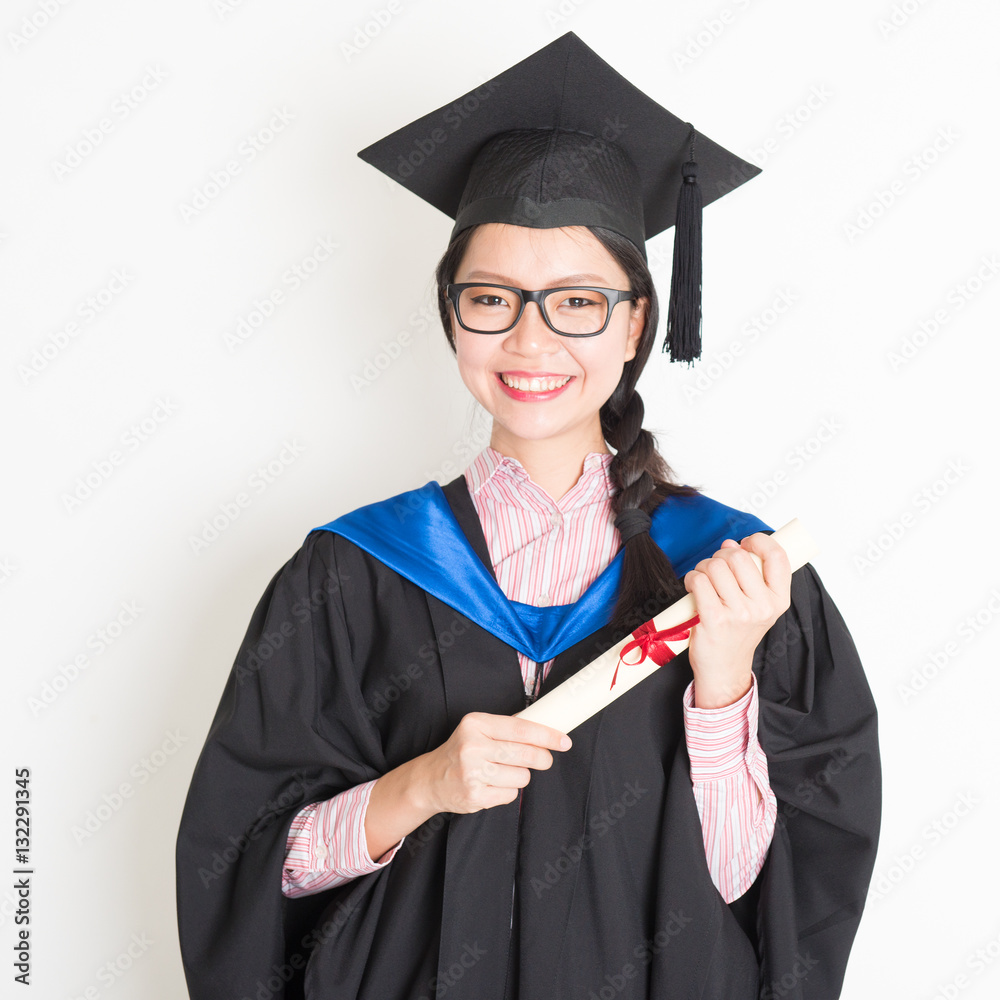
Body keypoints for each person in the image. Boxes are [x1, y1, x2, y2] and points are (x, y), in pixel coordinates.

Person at [175, 32, 881, 1000]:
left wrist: (721, 685)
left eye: (578, 301)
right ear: (449, 313)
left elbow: (753, 897)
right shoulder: (349, 576)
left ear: (637, 322)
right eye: (491, 297)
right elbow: (251, 872)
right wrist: (418, 787)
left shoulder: (736, 578)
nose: (529, 336)